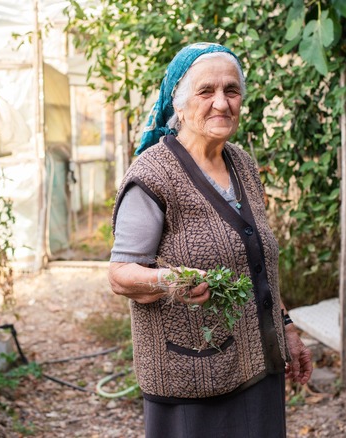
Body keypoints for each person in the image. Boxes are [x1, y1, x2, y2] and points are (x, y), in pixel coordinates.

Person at [108, 42, 313, 438]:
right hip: (193, 383)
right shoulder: (153, 176)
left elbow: (257, 262)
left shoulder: (243, 165)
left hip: (258, 370)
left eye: (231, 91)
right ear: (179, 105)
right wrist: (170, 282)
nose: (222, 103)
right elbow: (119, 275)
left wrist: (286, 328)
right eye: (206, 92)